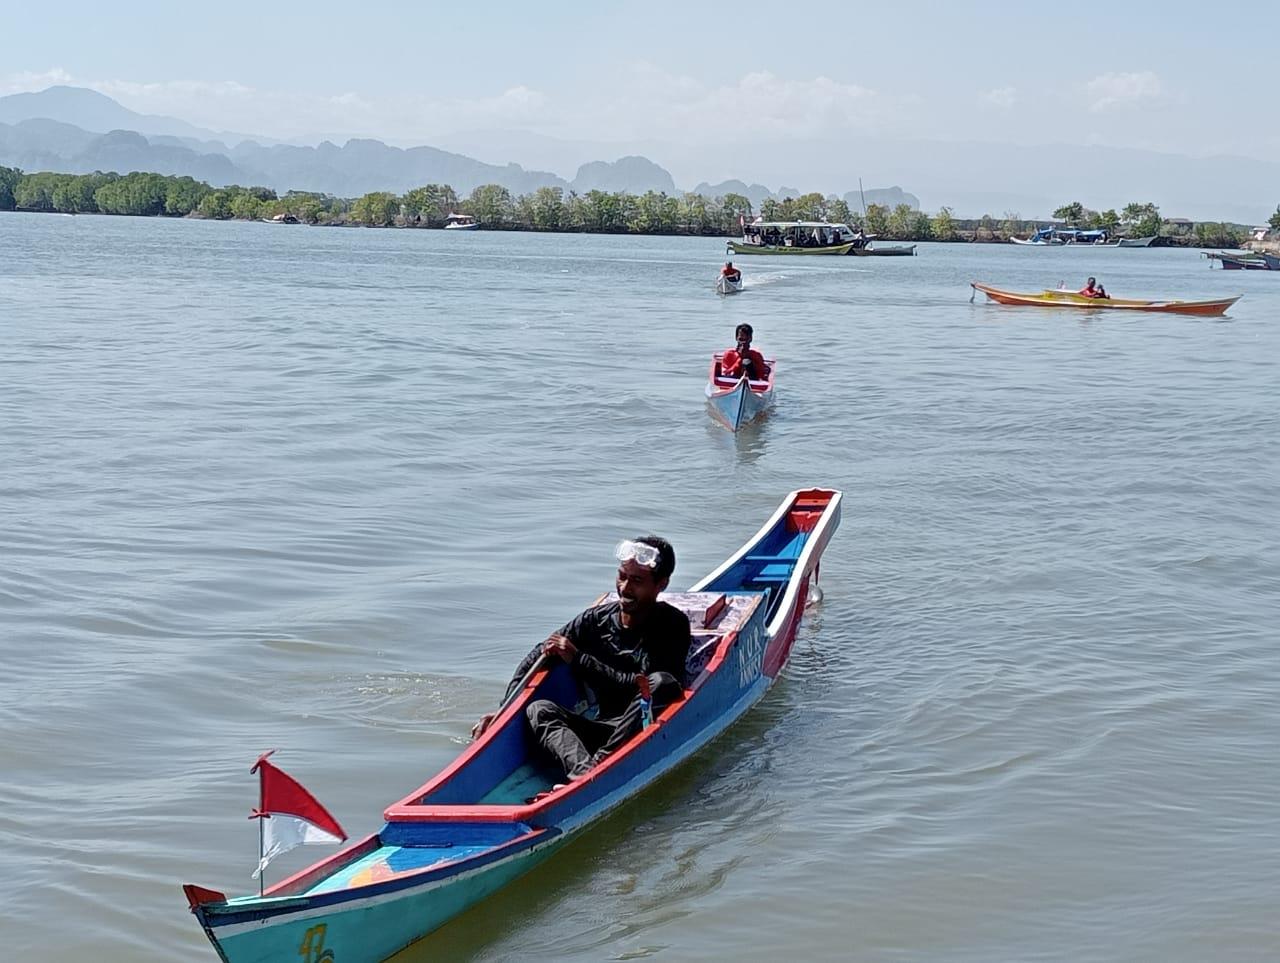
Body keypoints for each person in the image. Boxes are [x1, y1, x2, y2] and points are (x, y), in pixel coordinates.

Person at [471, 536, 690, 782]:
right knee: (538, 709)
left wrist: (578, 659)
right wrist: (503, 711)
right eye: (622, 576)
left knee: (661, 682)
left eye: (637, 581)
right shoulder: (596, 620)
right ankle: (585, 773)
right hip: (603, 727)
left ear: (661, 584)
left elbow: (640, 684)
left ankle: (602, 762)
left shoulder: (672, 625)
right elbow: (540, 655)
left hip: (641, 724)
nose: (625, 588)